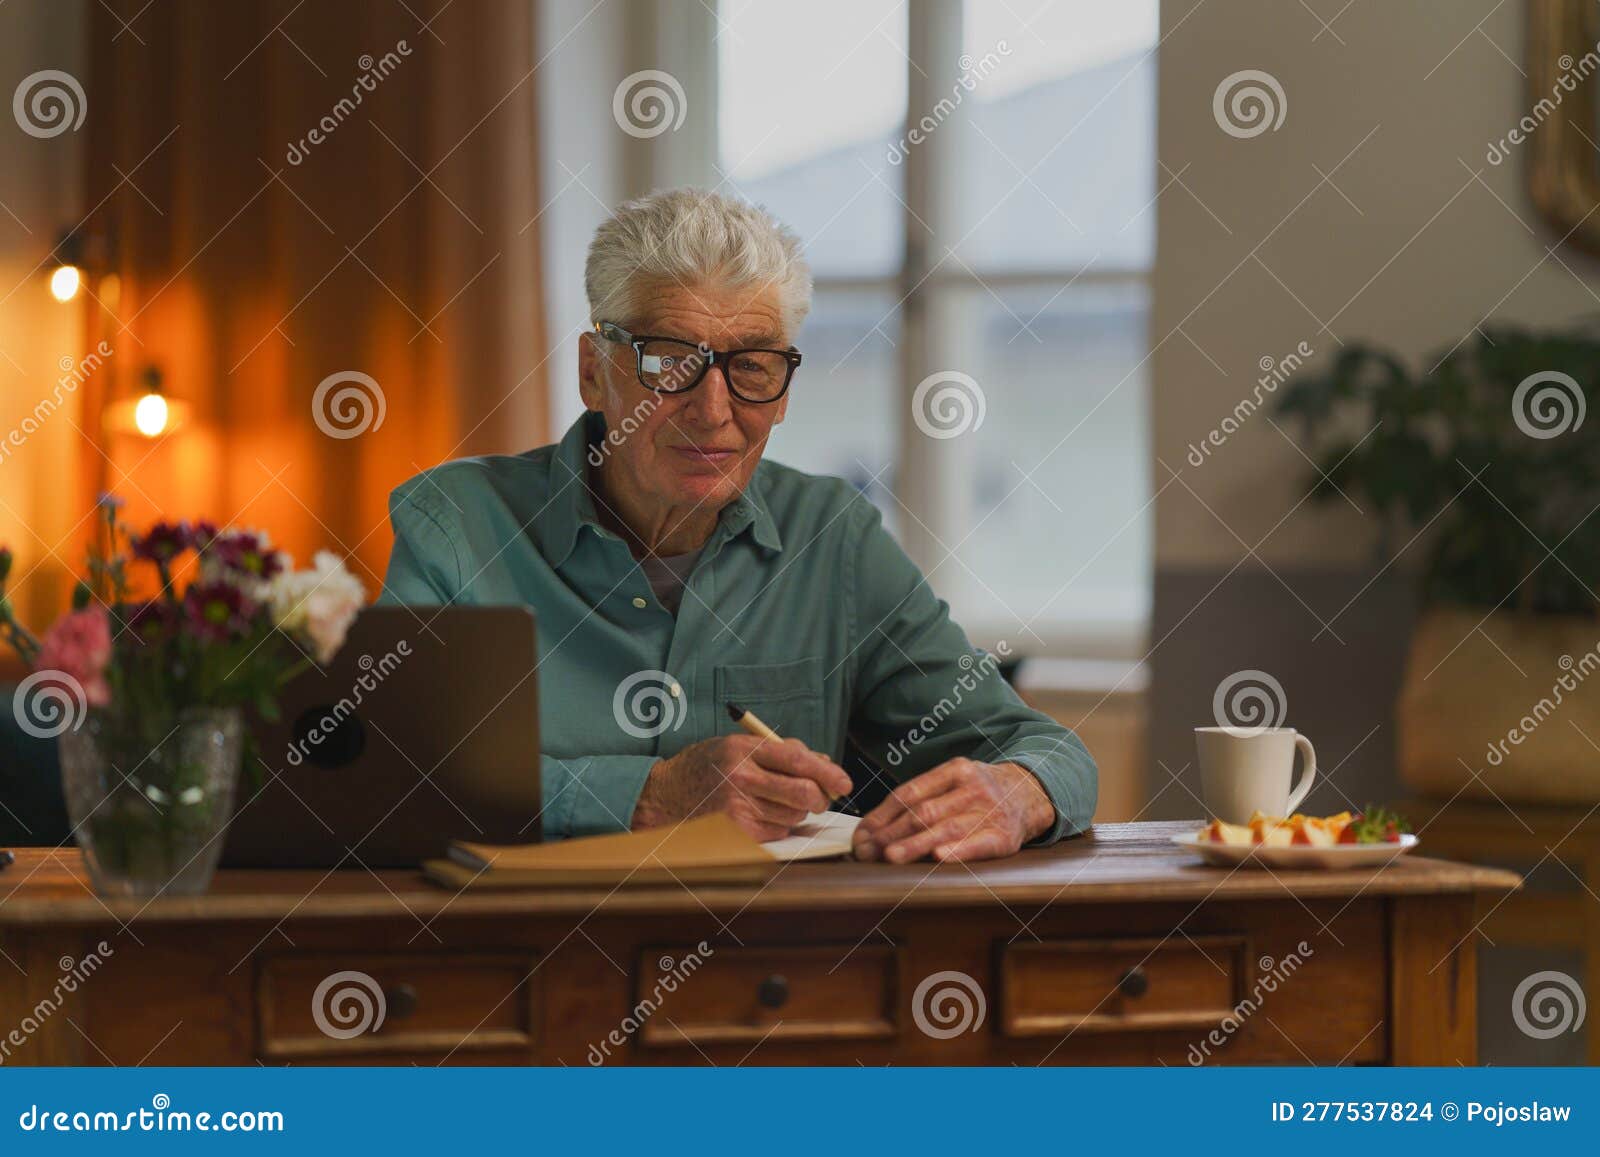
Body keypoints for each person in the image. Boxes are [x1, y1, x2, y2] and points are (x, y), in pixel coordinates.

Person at [380, 187, 1096, 863]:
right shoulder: (458, 527)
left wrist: (1019, 792)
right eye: (670, 362)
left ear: (782, 392)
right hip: (524, 965)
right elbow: (386, 778)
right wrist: (643, 797)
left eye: (752, 366)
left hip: (770, 969)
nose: (713, 409)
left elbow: (1041, 748)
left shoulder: (833, 537)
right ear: (594, 372)